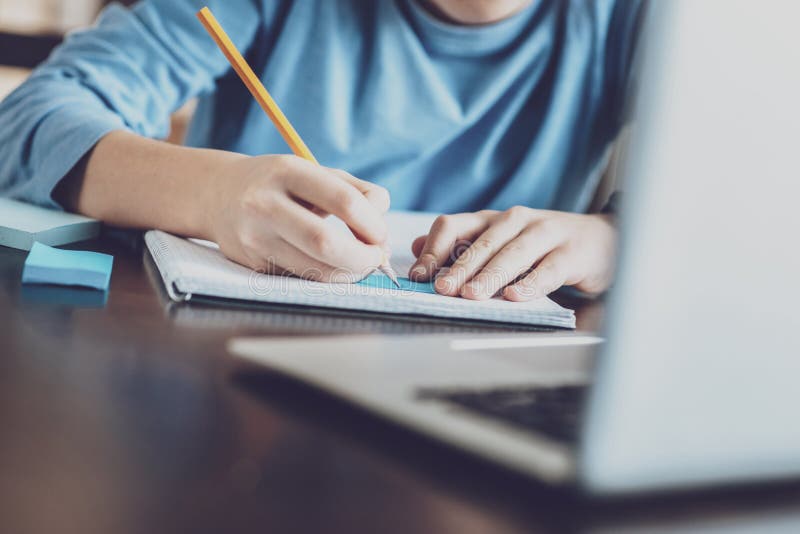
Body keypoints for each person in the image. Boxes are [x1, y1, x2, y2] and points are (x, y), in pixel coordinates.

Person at [0, 0, 644, 301]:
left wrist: (618, 238)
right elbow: (26, 121)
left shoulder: (641, 18)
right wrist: (211, 194)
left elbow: (706, 211)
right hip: (233, 372)